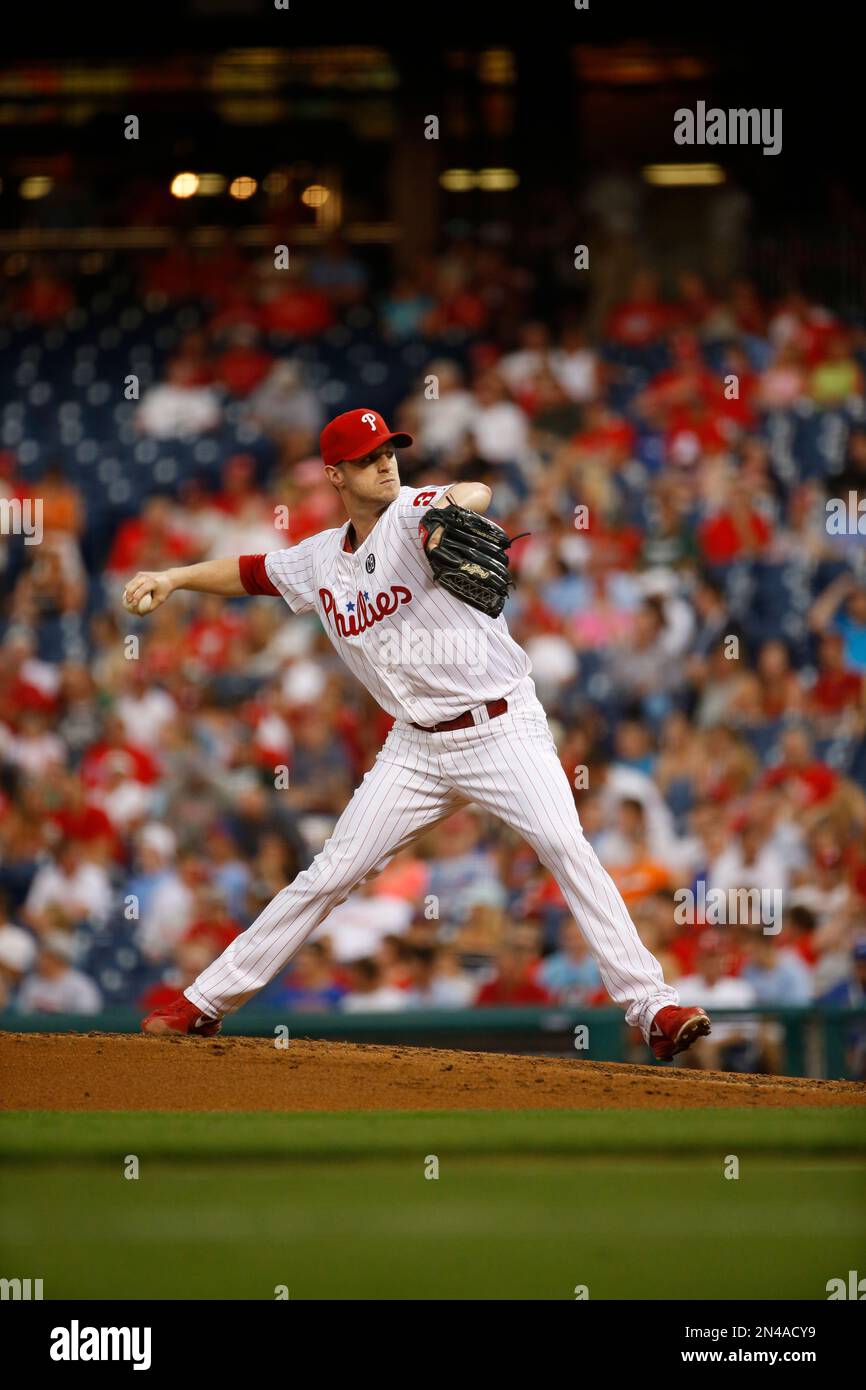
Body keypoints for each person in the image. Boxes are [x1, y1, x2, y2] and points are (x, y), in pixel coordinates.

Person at [126, 408, 711, 1060]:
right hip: (416, 747)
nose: (384, 463)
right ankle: (203, 1004)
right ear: (335, 475)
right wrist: (173, 578)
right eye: (368, 457)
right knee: (327, 875)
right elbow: (252, 572)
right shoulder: (321, 558)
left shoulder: (413, 512)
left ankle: (653, 1006)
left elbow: (472, 493)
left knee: (564, 845)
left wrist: (449, 513)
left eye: (389, 451)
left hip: (500, 725)